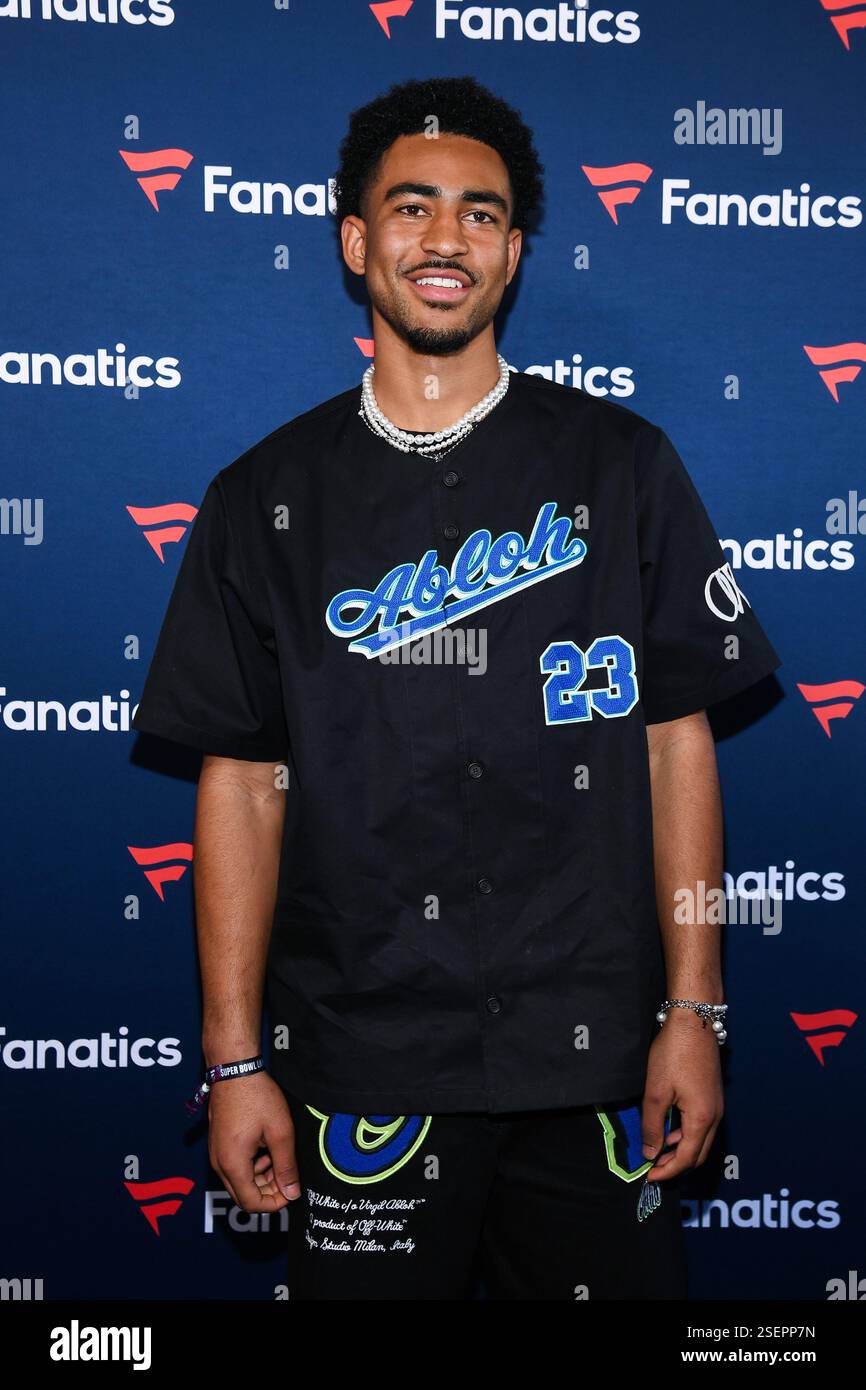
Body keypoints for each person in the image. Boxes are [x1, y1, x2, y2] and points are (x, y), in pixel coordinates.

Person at [131, 75, 782, 1300]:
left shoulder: (620, 467)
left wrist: (695, 1010)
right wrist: (232, 1062)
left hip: (589, 1059)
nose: (444, 238)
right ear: (354, 241)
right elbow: (244, 783)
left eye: (479, 214)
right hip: (360, 1060)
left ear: (514, 251)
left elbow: (671, 743)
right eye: (411, 206)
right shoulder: (262, 498)